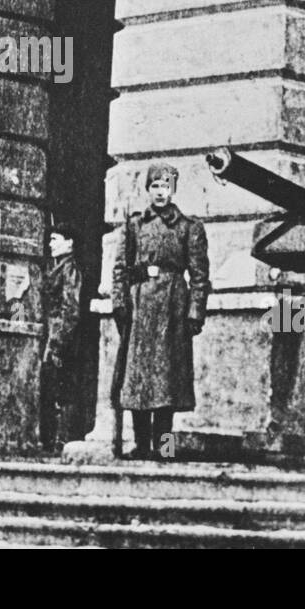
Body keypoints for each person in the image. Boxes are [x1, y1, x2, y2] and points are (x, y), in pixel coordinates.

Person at [112, 163, 210, 460]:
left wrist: (195, 311)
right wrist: (119, 303)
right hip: (140, 306)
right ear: (148, 190)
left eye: (166, 187)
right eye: (155, 186)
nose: (160, 193)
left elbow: (200, 275)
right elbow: (120, 269)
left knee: (167, 387)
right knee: (138, 382)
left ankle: (164, 449)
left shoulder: (188, 227)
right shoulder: (135, 225)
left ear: (173, 189)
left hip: (172, 307)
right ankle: (141, 447)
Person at [39, 219, 83, 451]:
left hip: (60, 340)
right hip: (51, 337)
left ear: (70, 243)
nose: (50, 244)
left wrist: (58, 344)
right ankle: (52, 441)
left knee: (62, 391)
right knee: (53, 387)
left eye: (55, 240)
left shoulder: (69, 269)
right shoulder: (56, 267)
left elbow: (71, 309)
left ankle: (61, 442)